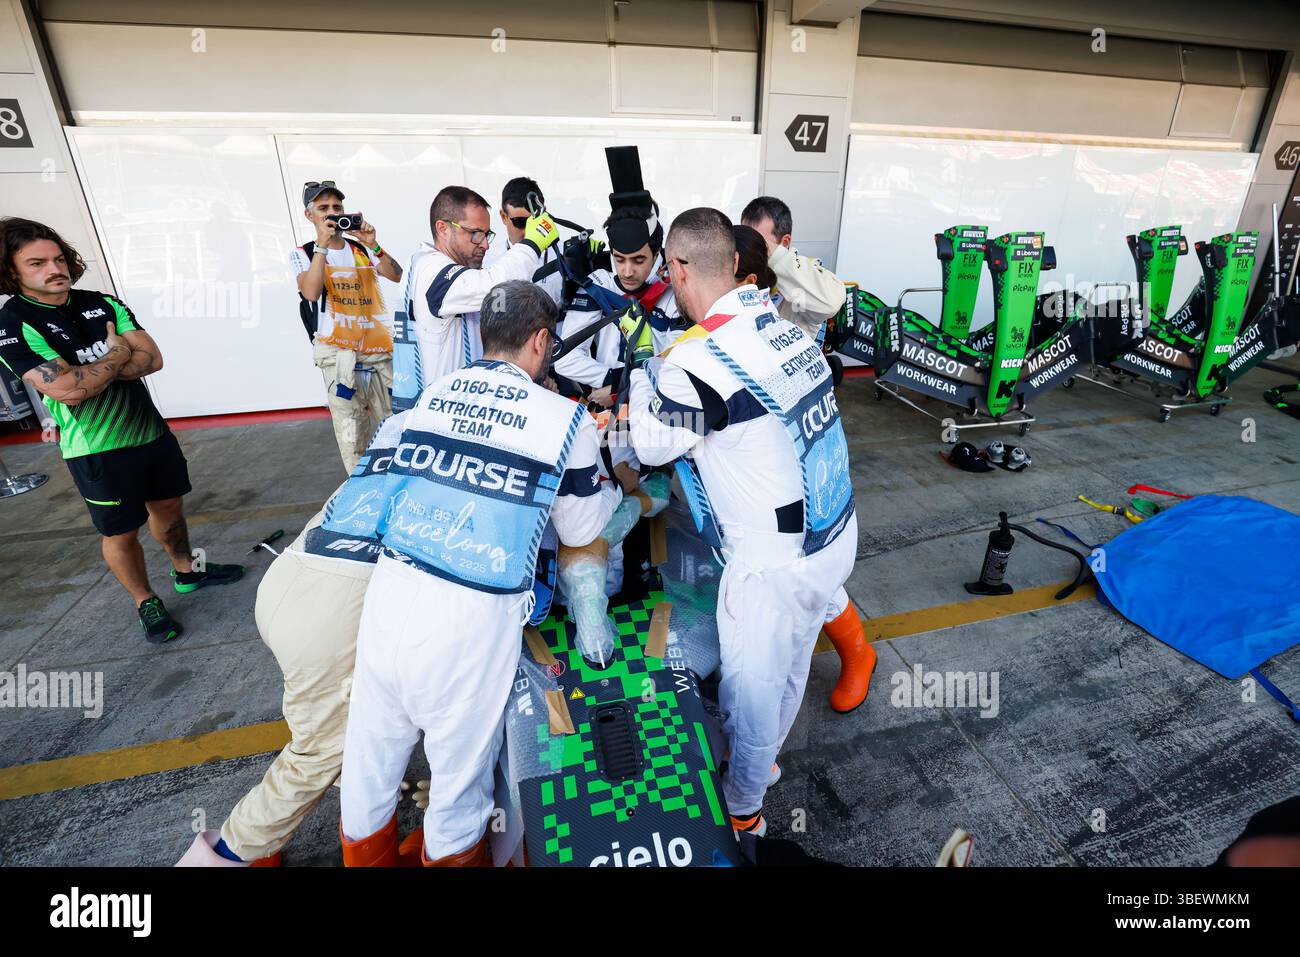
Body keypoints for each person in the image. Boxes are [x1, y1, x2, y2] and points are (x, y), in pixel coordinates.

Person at [339, 280, 621, 866]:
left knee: (368, 774)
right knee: (459, 797)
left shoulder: (428, 398)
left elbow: (367, 502)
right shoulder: (562, 422)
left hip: (387, 603)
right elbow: (580, 531)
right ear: (541, 341)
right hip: (464, 632)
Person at [627, 208, 858, 836]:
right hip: (832, 535)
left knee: (753, 691)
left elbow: (650, 446)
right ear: (734, 263)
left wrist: (644, 375)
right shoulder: (781, 325)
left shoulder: (694, 360)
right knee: (790, 665)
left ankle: (743, 814)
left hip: (771, 561)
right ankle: (762, 767)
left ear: (675, 270)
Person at [175, 412, 408, 867]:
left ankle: (351, 770)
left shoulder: (415, 422)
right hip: (326, 615)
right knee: (315, 753)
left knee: (334, 715)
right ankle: (224, 854)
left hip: (289, 578)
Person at [0, 218, 243, 643]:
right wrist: (115, 353)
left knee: (169, 510)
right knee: (120, 531)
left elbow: (151, 359)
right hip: (96, 449)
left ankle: (186, 571)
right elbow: (66, 391)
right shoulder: (13, 323)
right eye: (37, 263)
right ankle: (144, 599)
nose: (54, 269)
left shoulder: (102, 302)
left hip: (150, 433)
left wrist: (90, 372)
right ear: (11, 271)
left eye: (58, 259)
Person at [739, 200, 874, 713]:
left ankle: (857, 653)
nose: (745, 252)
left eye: (759, 242)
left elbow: (833, 297)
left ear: (784, 245)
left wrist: (772, 260)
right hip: (749, 442)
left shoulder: (801, 285)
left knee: (808, 561)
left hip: (800, 444)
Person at [403, 186, 560, 394]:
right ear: (443, 228)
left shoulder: (438, 268)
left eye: (487, 234)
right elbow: (493, 286)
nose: (485, 244)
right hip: (439, 412)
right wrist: (532, 244)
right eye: (475, 234)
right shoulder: (430, 270)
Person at [293, 181, 403, 473]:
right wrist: (322, 247)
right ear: (310, 215)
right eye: (324, 208)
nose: (332, 213)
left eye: (337, 208)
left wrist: (372, 243)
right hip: (339, 359)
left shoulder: (359, 249)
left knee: (394, 426)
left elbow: (396, 274)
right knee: (352, 435)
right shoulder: (304, 253)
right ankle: (361, 492)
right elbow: (311, 292)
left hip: (376, 352)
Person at [553, 203, 682, 401]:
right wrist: (615, 381)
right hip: (607, 414)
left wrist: (620, 389)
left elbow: (676, 369)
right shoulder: (597, 284)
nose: (627, 271)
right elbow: (564, 358)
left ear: (656, 255)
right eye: (619, 259)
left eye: (638, 260)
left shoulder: (673, 291)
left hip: (658, 407)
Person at [483, 176, 564, 305]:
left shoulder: (565, 255)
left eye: (534, 221)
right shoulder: (489, 263)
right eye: (520, 222)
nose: (529, 231)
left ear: (544, 215)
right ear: (503, 216)